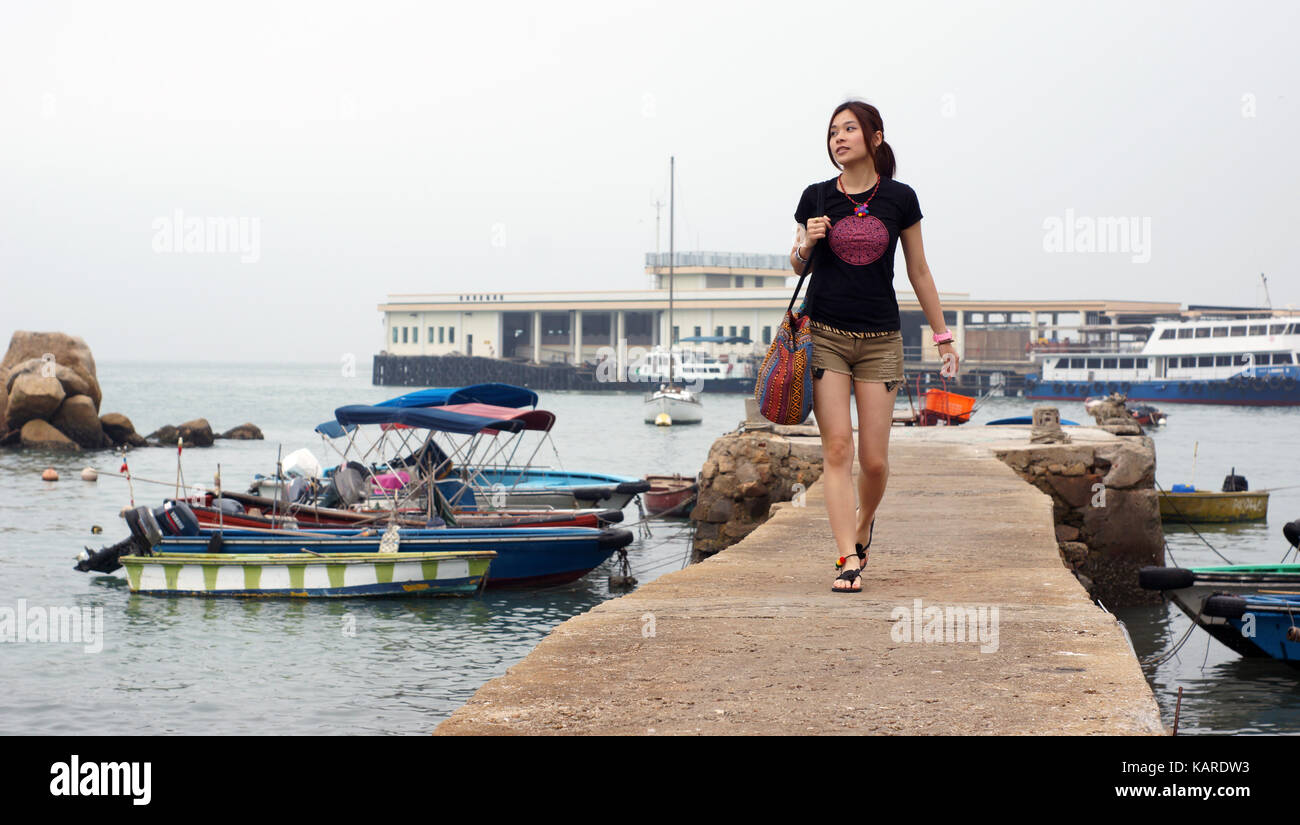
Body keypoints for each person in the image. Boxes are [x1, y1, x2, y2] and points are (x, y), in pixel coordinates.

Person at [790, 100, 960, 593]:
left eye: (849, 129)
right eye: (832, 132)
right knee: (837, 447)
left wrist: (943, 336)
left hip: (882, 341)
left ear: (875, 138)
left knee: (875, 461)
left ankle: (864, 526)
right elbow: (798, 265)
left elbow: (919, 271)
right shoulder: (816, 196)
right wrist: (807, 244)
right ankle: (847, 555)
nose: (838, 138)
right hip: (825, 337)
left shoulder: (900, 199)